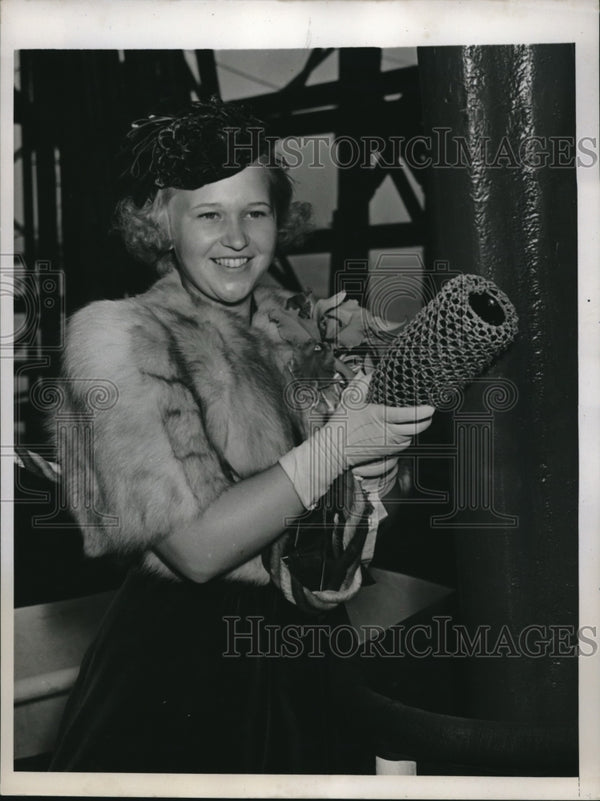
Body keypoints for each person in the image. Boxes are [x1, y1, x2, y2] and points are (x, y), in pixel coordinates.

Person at [48, 97, 433, 774]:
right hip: (186, 666)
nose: (237, 237)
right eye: (209, 215)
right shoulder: (116, 339)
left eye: (255, 213)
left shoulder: (292, 332)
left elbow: (337, 534)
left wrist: (373, 472)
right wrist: (339, 445)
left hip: (310, 653)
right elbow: (196, 549)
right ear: (161, 227)